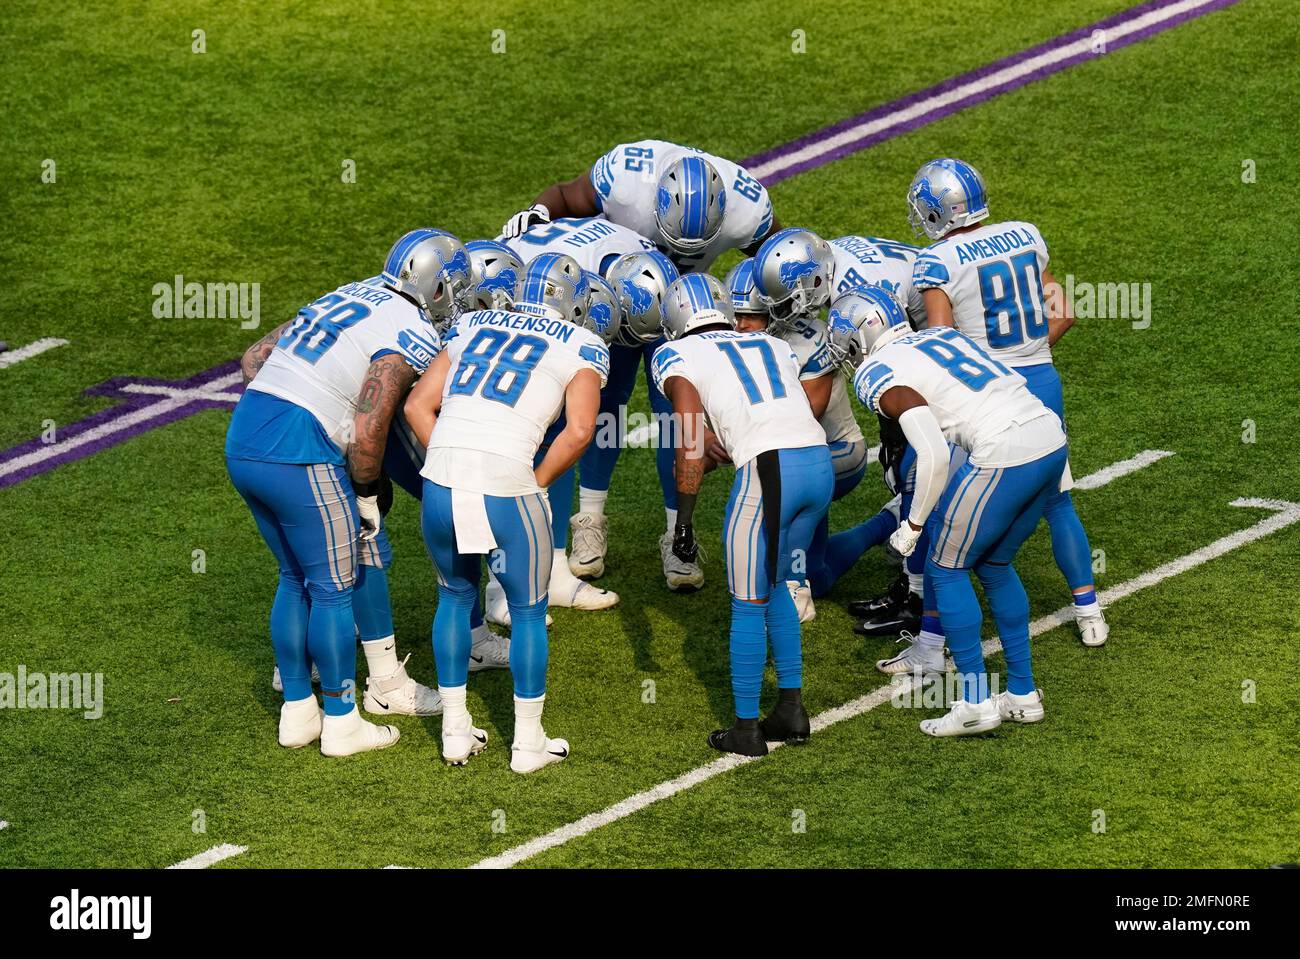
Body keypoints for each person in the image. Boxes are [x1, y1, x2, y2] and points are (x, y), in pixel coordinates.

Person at [226, 227, 468, 755]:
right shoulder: (412, 327)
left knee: (295, 578)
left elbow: (253, 357)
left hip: (246, 436)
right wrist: (364, 490)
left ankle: (297, 711)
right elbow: (371, 419)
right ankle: (341, 719)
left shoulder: (351, 292)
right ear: (439, 286)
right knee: (337, 584)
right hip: (299, 449)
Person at [827, 288, 1069, 737]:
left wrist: (913, 525)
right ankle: (1021, 694)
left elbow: (934, 453)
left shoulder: (878, 372)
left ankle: (975, 701)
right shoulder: (942, 336)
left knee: (945, 568)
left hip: (1003, 448)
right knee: (995, 564)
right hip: (1049, 435)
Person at [403, 253, 609, 772]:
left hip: (442, 479)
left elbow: (415, 406)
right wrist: (534, 483)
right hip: (508, 483)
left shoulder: (472, 323)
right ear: (576, 304)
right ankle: (528, 744)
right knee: (528, 611)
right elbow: (581, 430)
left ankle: (454, 732)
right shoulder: (583, 344)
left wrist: (453, 461)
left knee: (454, 595)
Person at [908, 158, 1108, 647]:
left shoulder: (938, 262)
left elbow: (940, 341)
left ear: (939, 211)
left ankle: (933, 640)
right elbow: (1062, 313)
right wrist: (1026, 355)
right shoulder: (1024, 235)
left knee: (940, 513)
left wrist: (987, 372)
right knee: (1057, 502)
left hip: (988, 398)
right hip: (1042, 381)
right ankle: (1089, 610)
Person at [652, 273, 832, 757]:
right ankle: (791, 710)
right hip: (817, 462)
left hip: (771, 469)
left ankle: (746, 730)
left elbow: (689, 445)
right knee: (777, 582)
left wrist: (683, 526)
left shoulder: (675, 355)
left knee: (748, 599)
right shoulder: (769, 344)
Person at [500, 139, 778, 274]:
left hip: (677, 291)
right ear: (655, 204)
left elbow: (781, 255)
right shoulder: (625, 177)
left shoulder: (748, 208)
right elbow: (564, 196)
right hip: (610, 271)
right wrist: (538, 212)